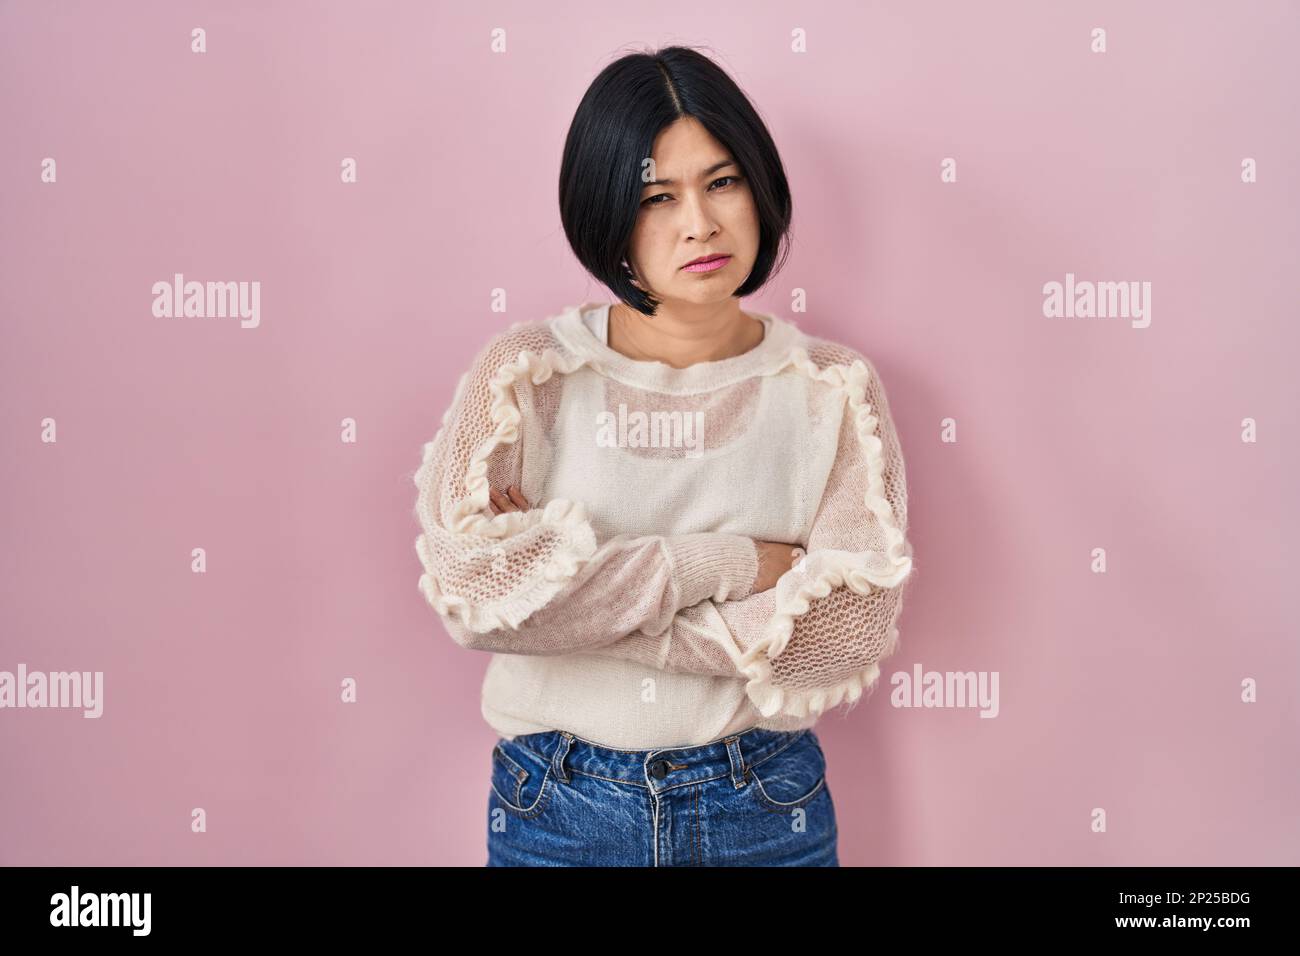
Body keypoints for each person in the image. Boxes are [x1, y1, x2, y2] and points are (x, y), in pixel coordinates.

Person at [412, 45, 916, 866]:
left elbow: (846, 629)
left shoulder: (832, 389)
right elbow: (472, 590)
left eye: (722, 182)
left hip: (764, 803)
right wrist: (732, 564)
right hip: (556, 808)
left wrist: (565, 606)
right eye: (657, 196)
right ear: (606, 212)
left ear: (760, 187)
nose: (700, 224)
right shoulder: (529, 376)